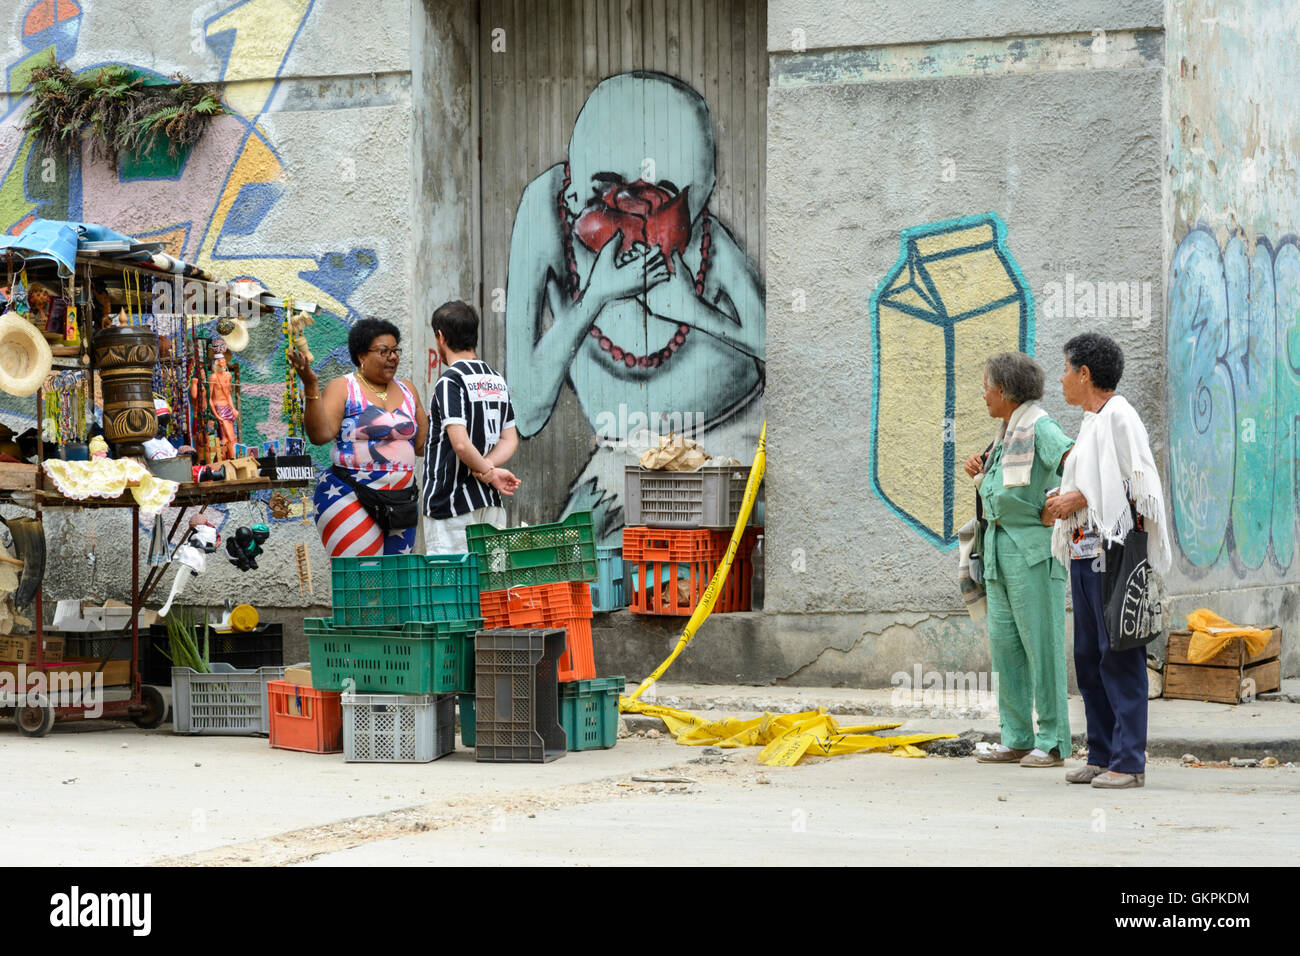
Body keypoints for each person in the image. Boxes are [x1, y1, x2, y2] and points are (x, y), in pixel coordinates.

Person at [1045, 332, 1171, 790]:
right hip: (1083, 553)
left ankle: (1129, 761)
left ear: (1085, 374)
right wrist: (1065, 498)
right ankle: (1100, 754)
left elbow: (1138, 481)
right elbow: (1094, 478)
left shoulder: (1120, 416)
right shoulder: (1090, 421)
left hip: (1113, 554)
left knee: (1118, 654)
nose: (1061, 379)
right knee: (1088, 657)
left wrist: (1079, 497)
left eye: (1065, 370)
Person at [963, 352, 1073, 768]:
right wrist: (979, 471)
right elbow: (1003, 487)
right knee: (1006, 649)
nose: (983, 395)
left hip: (1032, 554)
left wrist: (1059, 502)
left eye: (987, 387)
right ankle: (1017, 738)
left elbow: (1074, 461)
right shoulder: (1005, 433)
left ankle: (1054, 742)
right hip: (998, 551)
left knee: (1042, 648)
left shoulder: (1040, 427)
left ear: (1005, 391)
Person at [290, 318, 427, 556]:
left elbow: (421, 446)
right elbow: (320, 435)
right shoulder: (343, 387)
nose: (392, 357)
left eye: (395, 351)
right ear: (361, 356)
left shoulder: (408, 389)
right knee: (362, 576)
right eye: (384, 351)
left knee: (398, 576)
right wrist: (311, 386)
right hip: (349, 495)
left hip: (401, 500)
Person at [422, 300, 520, 554]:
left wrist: (487, 471)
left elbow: (461, 444)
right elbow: (509, 439)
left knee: (451, 578)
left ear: (441, 337)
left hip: (451, 504)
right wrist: (488, 469)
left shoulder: (451, 381)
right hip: (489, 502)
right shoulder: (496, 379)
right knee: (489, 577)